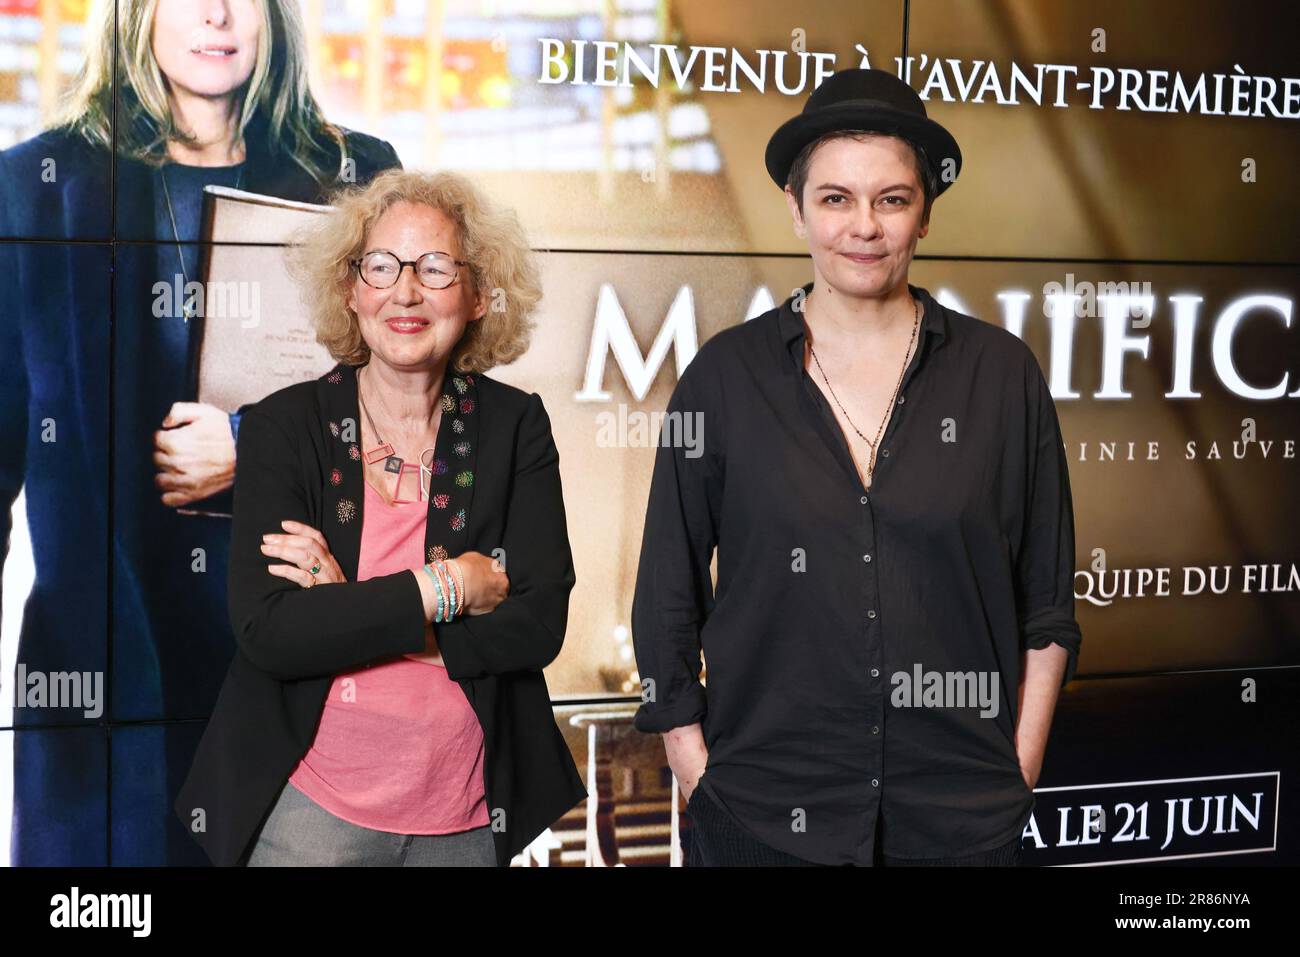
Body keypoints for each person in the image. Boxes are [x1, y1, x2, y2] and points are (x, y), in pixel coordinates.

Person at [631, 68, 1083, 867]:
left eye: (892, 199)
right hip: (764, 818)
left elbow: (1046, 604)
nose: (863, 226)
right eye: (836, 198)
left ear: (925, 215)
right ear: (797, 209)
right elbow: (667, 593)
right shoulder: (725, 378)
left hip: (959, 822)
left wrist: (1020, 766)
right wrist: (697, 773)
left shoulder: (1001, 375)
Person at [0, 0, 401, 863]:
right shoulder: (35, 184)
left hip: (300, 651)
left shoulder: (355, 176)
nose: (216, 14)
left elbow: (414, 394)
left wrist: (252, 443)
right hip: (104, 664)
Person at [174, 167, 588, 866]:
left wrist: (345, 609)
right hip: (308, 808)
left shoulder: (515, 426)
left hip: (463, 814)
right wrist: (444, 588)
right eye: (381, 266)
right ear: (349, 289)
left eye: (434, 267)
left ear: (480, 293)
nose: (406, 290)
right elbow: (271, 630)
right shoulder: (283, 426)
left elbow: (537, 624)